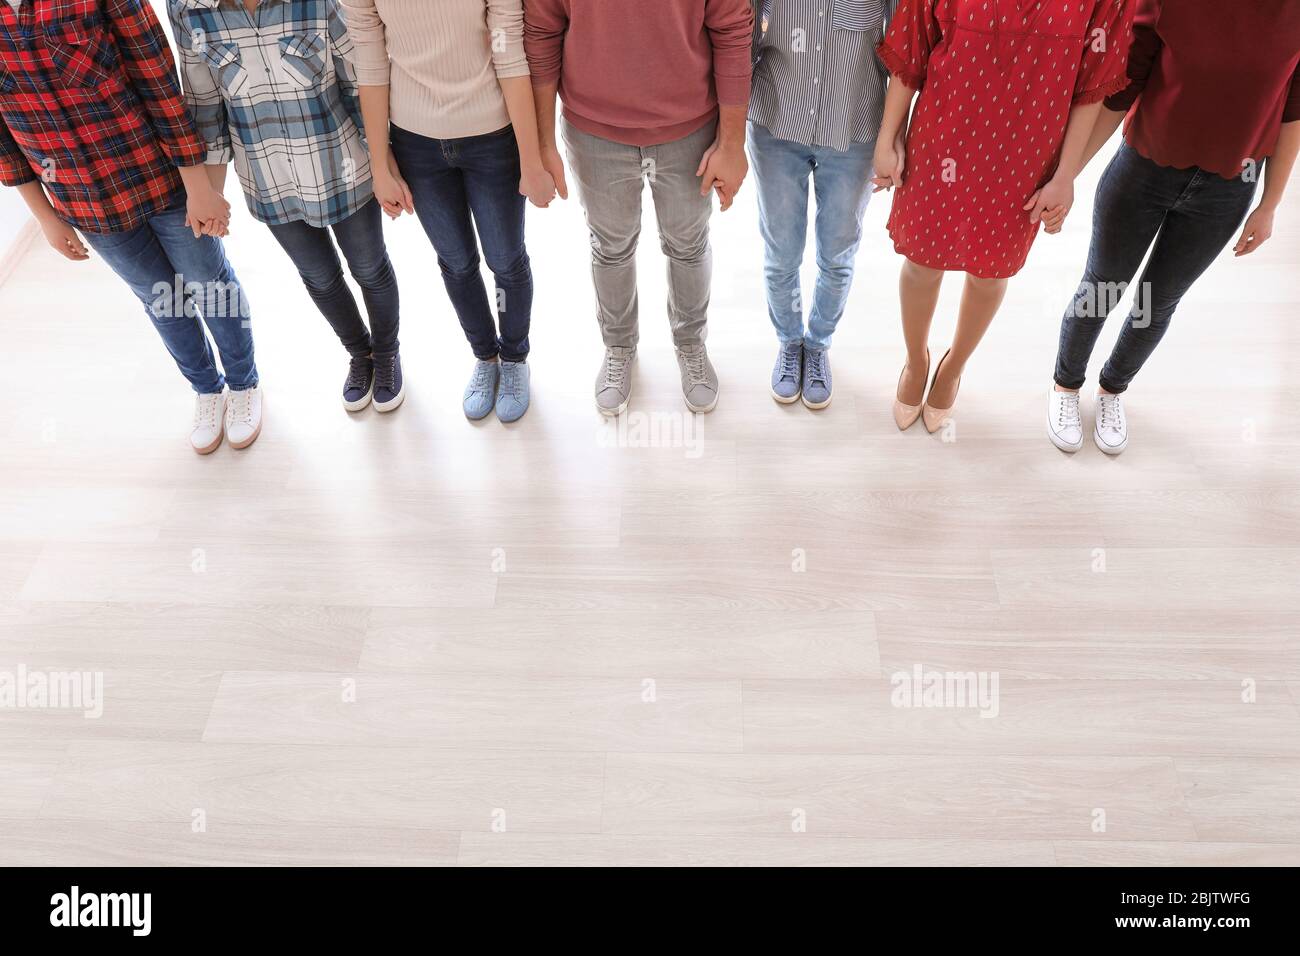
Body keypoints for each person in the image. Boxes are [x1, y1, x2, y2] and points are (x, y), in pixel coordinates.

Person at [0, 0, 262, 454]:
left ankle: (244, 384)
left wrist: (198, 186)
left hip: (161, 175)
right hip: (85, 201)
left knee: (208, 281)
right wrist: (44, 216)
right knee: (160, 299)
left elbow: (158, 81)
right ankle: (206, 390)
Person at [1046, 0, 1300, 455]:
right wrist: (1068, 175)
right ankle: (1066, 385)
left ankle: (1112, 390)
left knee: (1157, 301)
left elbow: (1292, 114)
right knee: (1103, 286)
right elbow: (1122, 90)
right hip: (1143, 171)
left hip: (1227, 189)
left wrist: (1270, 205)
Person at [873, 0, 1134, 433]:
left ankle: (953, 367)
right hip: (943, 133)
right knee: (921, 261)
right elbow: (912, 42)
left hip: (1025, 154)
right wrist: (888, 136)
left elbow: (1093, 83)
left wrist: (1066, 175)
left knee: (991, 273)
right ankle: (916, 360)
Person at [170, 0, 403, 414]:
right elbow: (206, 109)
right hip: (269, 179)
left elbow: (359, 82)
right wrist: (211, 195)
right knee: (319, 277)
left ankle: (386, 354)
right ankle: (360, 353)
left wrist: (385, 166)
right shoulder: (190, 10)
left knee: (370, 268)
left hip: (346, 166)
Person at [524, 0, 754, 416]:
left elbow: (733, 28)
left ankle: (690, 344)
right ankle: (618, 347)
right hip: (593, 129)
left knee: (688, 244)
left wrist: (734, 142)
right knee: (610, 247)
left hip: (690, 126)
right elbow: (542, 30)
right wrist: (542, 143)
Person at [342, 0, 555, 424]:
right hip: (416, 143)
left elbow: (508, 52)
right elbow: (370, 64)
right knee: (456, 263)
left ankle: (514, 358)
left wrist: (531, 161)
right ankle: (485, 357)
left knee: (505, 259)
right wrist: (379, 164)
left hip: (493, 136)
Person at [750, 0, 899, 410]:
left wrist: (894, 135)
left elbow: (903, 52)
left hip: (855, 129)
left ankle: (817, 345)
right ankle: (789, 342)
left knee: (837, 252)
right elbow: (740, 36)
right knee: (782, 251)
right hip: (774, 121)